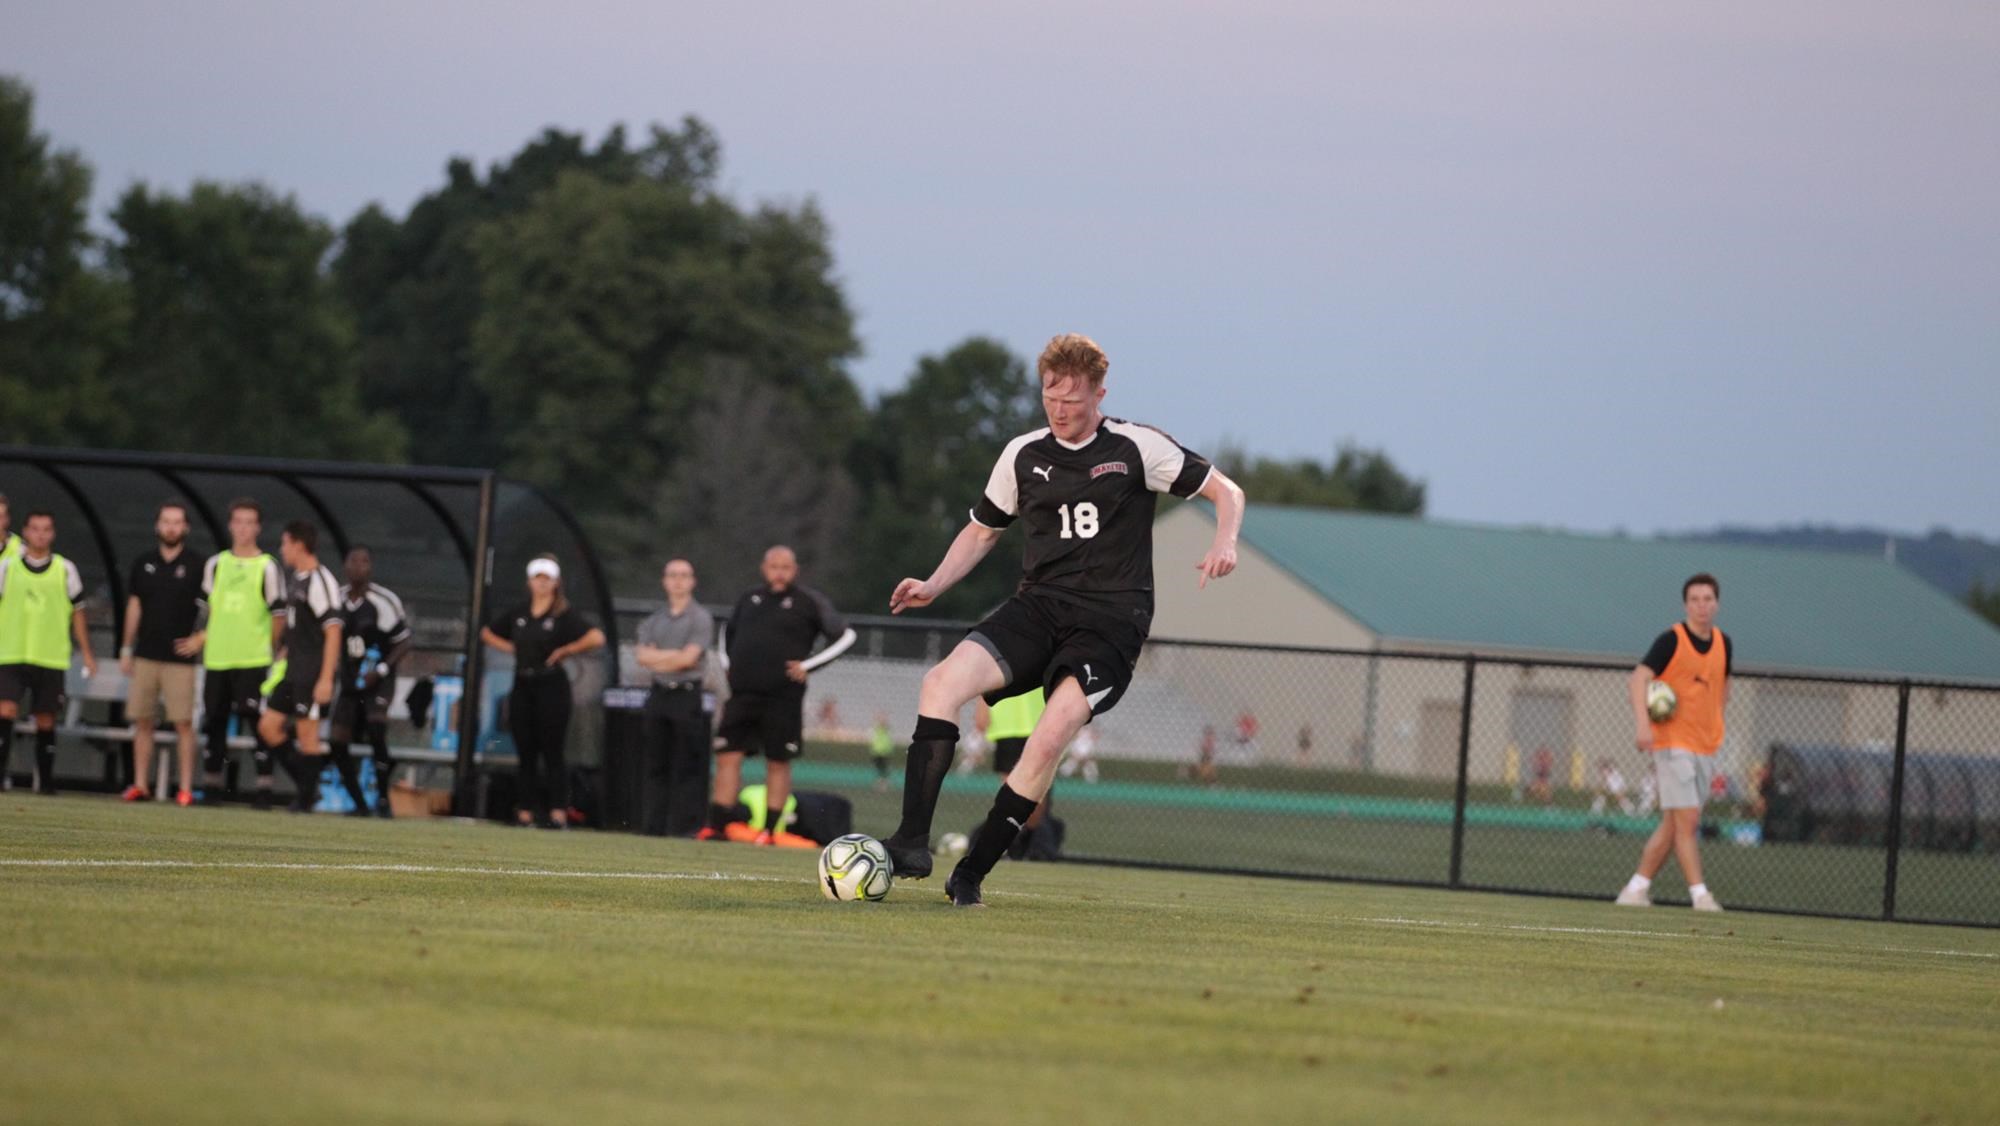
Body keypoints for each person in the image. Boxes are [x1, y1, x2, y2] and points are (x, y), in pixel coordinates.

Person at [880, 332, 1246, 907]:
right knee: (940, 683)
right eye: (1050, 397)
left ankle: (970, 874)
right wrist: (933, 583)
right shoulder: (1022, 454)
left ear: (1099, 394)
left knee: (1049, 737)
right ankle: (909, 843)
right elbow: (982, 531)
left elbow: (1227, 491)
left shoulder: (1136, 447)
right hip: (1039, 606)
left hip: (1110, 621)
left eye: (1072, 400)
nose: (1060, 409)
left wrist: (1225, 541)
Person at [704, 546, 856, 845]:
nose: (779, 572)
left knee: (777, 760)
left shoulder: (808, 601)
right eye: (774, 566)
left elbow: (846, 636)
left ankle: (770, 831)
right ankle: (718, 827)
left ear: (795, 570)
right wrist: (728, 664)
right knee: (727, 755)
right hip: (742, 694)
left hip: (782, 696)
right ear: (764, 568)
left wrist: (808, 666)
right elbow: (726, 633)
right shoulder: (749, 598)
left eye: (785, 567)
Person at [1616, 572, 1733, 912]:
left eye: (1707, 599)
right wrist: (1644, 725)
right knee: (1688, 821)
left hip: (1707, 745)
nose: (1701, 606)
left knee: (1674, 824)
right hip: (1672, 743)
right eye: (1695, 600)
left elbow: (1724, 685)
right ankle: (1700, 895)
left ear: (1717, 604)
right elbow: (1639, 678)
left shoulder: (1724, 643)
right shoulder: (1671, 640)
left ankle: (1635, 889)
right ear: (1685, 605)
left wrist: (1715, 719)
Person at [480, 556, 605, 828]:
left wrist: (567, 650)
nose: (542, 584)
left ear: (556, 583)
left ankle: (557, 811)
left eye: (547, 579)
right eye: (537, 578)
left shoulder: (563, 615)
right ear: (530, 582)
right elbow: (487, 633)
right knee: (525, 751)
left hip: (551, 685)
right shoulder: (520, 613)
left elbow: (596, 637)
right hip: (523, 684)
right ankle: (525, 810)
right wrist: (513, 648)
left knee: (553, 751)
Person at [192, 499, 285, 806]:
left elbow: (278, 614)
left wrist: (271, 647)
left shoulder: (267, 566)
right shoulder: (216, 564)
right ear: (230, 525)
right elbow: (205, 610)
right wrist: (200, 637)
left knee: (256, 723)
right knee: (215, 722)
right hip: (218, 658)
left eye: (250, 522)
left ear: (258, 528)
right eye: (239, 522)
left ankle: (264, 789)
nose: (243, 528)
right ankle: (212, 787)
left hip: (253, 659)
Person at [0, 511, 96, 794]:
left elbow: (78, 613)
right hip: (11, 652)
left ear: (53, 534)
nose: (40, 535)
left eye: (46, 529)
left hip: (50, 655)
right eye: (35, 529)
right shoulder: (7, 567)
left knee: (45, 718)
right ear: (25, 532)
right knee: (5, 710)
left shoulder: (65, 569)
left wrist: (87, 652)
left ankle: (45, 782)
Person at [119, 501, 204, 805]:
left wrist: (200, 638)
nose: (171, 527)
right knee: (143, 721)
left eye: (177, 522)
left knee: (183, 723)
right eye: (166, 521)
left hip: (180, 658)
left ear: (186, 527)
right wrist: (126, 647)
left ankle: (185, 788)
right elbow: (134, 606)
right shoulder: (143, 562)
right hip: (146, 654)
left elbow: (213, 607)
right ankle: (141, 784)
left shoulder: (197, 564)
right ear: (157, 525)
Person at [255, 521, 343, 813]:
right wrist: (284, 650)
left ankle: (305, 801)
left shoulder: (321, 581)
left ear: (298, 545)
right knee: (268, 727)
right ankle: (308, 787)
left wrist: (326, 678)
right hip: (293, 670)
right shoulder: (296, 578)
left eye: (285, 543)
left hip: (313, 673)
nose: (282, 550)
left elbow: (333, 632)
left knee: (308, 737)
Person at [329, 545, 413, 817]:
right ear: (345, 566)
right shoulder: (336, 599)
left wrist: (381, 669)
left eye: (364, 562)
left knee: (376, 732)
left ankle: (384, 799)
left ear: (371, 567)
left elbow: (403, 642)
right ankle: (359, 803)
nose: (358, 567)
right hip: (350, 681)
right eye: (353, 561)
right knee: (337, 740)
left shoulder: (384, 601)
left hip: (378, 679)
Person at [633, 558, 714, 837]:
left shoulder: (700, 618)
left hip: (686, 695)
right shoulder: (654, 620)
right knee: (656, 763)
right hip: (659, 694)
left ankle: (683, 828)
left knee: (686, 764)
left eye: (684, 575)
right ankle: (653, 827)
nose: (678, 580)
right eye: (673, 575)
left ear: (692, 581)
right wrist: (674, 657)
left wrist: (662, 657)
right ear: (664, 581)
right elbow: (642, 656)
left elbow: (688, 660)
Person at [868, 712, 895, 792]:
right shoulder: (875, 729)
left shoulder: (886, 729)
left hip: (885, 751)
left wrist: (882, 719)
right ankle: (879, 782)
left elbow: (885, 725)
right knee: (877, 768)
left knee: (884, 768)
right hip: (877, 751)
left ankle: (884, 783)